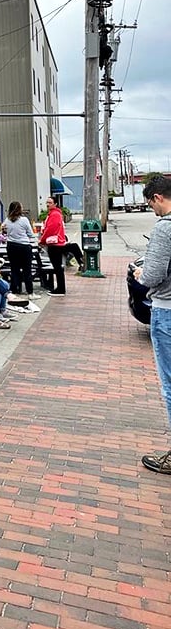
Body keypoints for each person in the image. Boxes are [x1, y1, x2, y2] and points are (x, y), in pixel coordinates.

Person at [134, 175, 171, 474]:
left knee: (170, 384)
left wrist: (140, 275)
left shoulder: (165, 228)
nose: (153, 211)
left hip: (167, 310)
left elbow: (153, 273)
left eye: (151, 205)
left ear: (158, 197)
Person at [37, 196, 84, 295]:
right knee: (58, 267)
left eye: (50, 202)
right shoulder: (55, 214)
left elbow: (50, 229)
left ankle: (60, 289)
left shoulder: (54, 214)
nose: (47, 204)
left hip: (54, 244)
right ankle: (60, 288)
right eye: (47, 202)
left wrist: (42, 240)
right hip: (57, 242)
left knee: (57, 267)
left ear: (55, 204)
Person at [3, 201, 37, 298]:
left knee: (14, 269)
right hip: (23, 246)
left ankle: (14, 291)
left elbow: (5, 232)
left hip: (11, 246)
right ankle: (30, 292)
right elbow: (30, 234)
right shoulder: (24, 220)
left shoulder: (7, 220)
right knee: (27, 270)